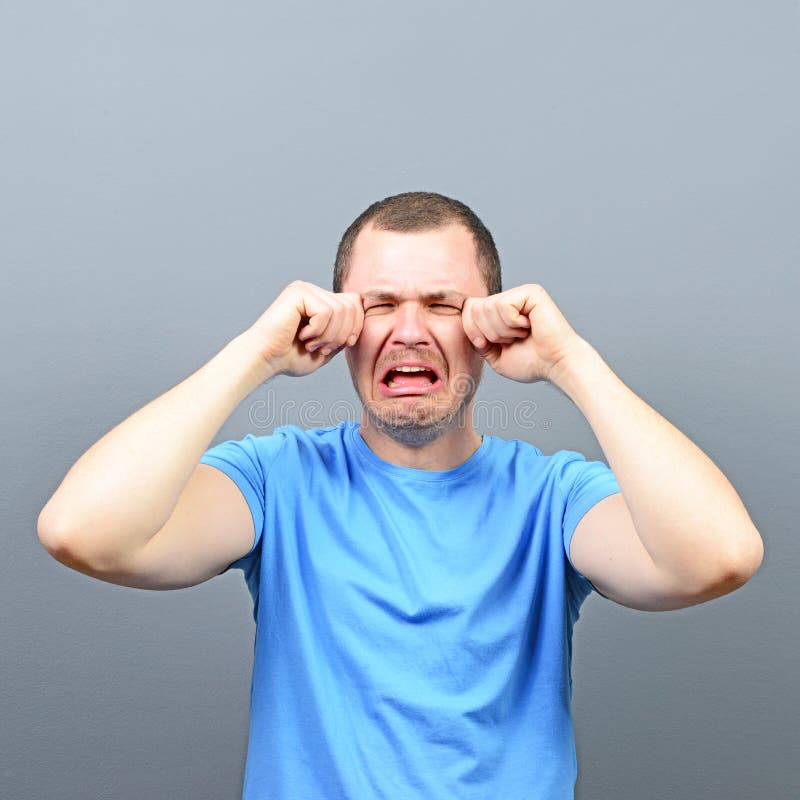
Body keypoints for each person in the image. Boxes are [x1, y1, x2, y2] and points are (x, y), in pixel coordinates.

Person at [38, 191, 764, 799]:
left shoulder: (554, 498)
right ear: (341, 325)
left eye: (444, 304)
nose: (410, 331)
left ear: (490, 325)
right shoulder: (277, 480)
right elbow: (83, 532)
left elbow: (718, 558)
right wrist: (255, 354)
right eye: (380, 304)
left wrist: (572, 362)